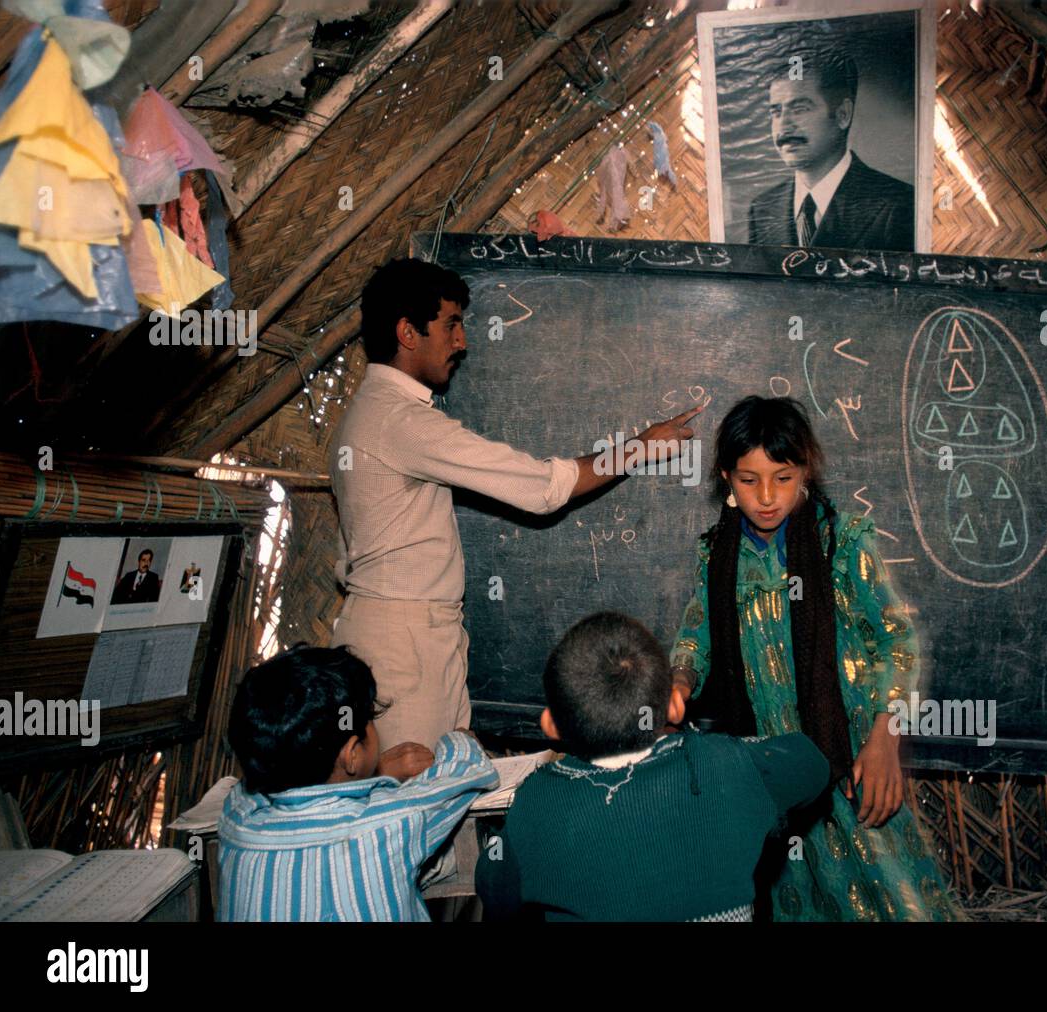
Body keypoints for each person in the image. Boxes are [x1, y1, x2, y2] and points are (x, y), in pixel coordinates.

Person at [329, 258, 700, 749]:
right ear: (407, 332)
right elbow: (543, 488)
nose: (461, 342)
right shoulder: (401, 422)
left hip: (402, 634)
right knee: (420, 796)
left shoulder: (367, 414)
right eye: (452, 324)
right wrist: (641, 447)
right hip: (405, 645)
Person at [671, 396, 961, 921]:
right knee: (794, 897)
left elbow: (897, 642)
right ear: (724, 478)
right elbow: (698, 633)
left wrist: (883, 739)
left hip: (850, 755)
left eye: (782, 478)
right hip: (771, 768)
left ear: (805, 470)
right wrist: (679, 680)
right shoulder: (717, 554)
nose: (765, 497)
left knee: (887, 896)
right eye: (747, 479)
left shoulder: (841, 544)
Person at [474, 611, 830, 921]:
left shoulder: (536, 804)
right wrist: (728, 749)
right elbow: (811, 764)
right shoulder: (727, 765)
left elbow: (494, 890)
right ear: (674, 707)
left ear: (551, 726)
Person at [217, 645, 497, 922]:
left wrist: (374, 770)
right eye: (370, 720)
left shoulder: (237, 815)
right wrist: (461, 738)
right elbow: (467, 768)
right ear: (351, 755)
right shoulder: (387, 825)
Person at [746, 48, 914, 252]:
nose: (783, 126)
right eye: (776, 112)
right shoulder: (763, 208)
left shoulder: (897, 205)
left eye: (800, 109)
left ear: (843, 114)